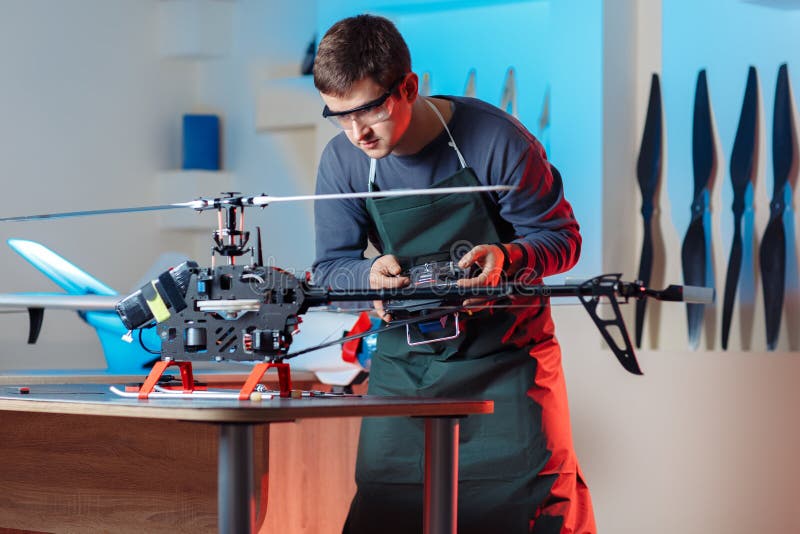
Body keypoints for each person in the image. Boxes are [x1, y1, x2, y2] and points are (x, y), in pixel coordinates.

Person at [311, 14, 595, 534]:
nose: (357, 133)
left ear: (409, 87)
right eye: (339, 117)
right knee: (389, 511)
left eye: (368, 111)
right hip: (406, 371)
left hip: (509, 367)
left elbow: (564, 239)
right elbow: (330, 268)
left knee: (532, 509)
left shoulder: (497, 140)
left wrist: (508, 260)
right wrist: (367, 274)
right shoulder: (342, 163)